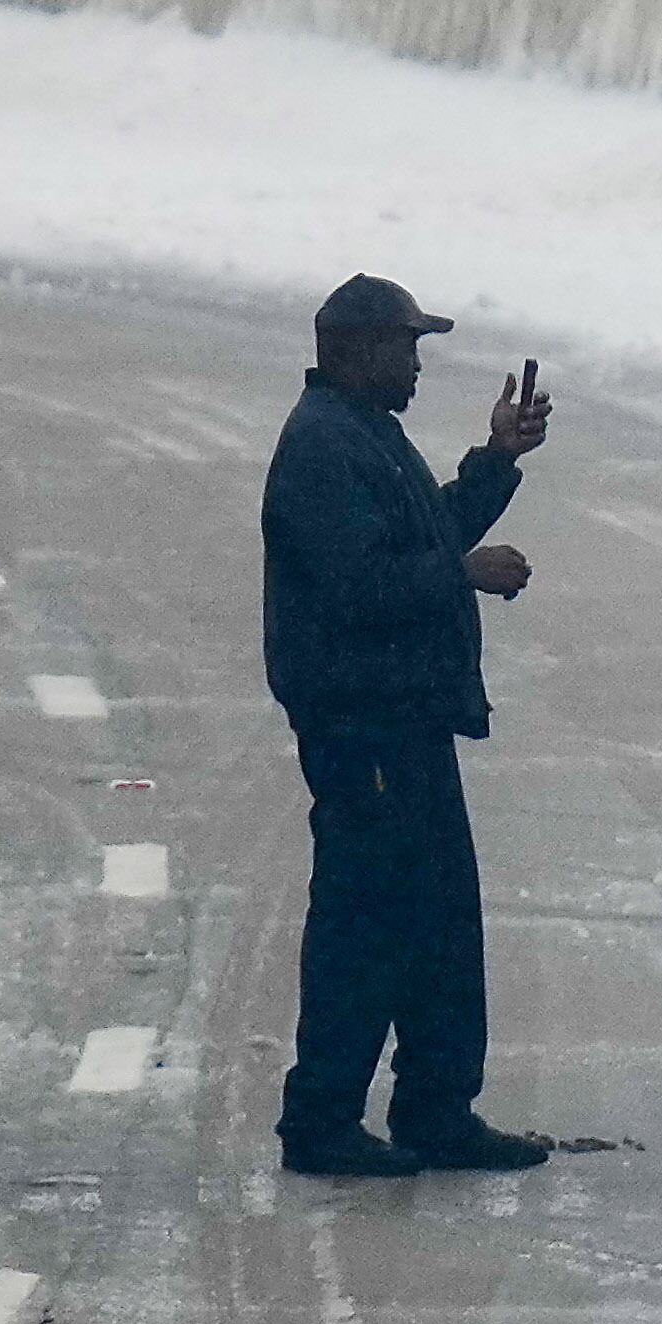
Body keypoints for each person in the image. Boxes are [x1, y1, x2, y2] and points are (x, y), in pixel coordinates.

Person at [260, 274, 555, 1177]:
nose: (418, 364)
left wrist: (497, 457)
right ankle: (321, 1122)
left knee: (435, 922)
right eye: (406, 345)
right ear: (356, 351)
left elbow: (423, 537)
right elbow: (354, 588)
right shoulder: (323, 447)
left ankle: (435, 1109)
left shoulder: (363, 433)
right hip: (363, 727)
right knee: (366, 924)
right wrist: (462, 573)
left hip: (404, 720)